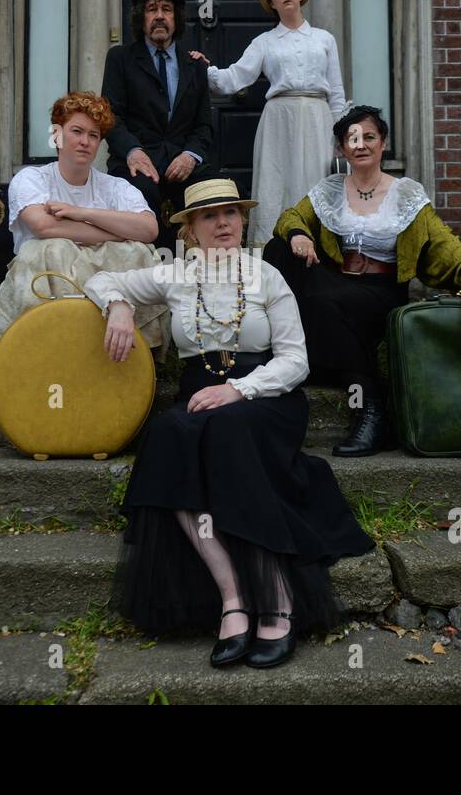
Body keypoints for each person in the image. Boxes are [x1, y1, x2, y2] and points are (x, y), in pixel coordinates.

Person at [82, 178, 375, 669]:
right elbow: (102, 280)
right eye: (209, 216)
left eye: (231, 214)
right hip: (200, 395)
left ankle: (277, 599)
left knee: (230, 429)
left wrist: (240, 389)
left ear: (242, 221)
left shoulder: (267, 276)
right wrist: (118, 306)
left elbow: (295, 361)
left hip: (267, 396)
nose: (223, 223)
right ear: (192, 230)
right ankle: (234, 598)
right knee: (167, 433)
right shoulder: (174, 274)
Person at [263, 105, 461, 457]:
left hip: (378, 292)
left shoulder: (406, 194)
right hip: (334, 284)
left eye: (369, 137)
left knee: (323, 300)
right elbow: (290, 217)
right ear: (341, 149)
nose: (360, 144)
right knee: (280, 248)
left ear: (383, 143)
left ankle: (370, 408)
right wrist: (300, 233)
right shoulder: (329, 189)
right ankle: (289, 353)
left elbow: (442, 243)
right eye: (351, 138)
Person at [0, 91, 168, 348]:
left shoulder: (115, 186)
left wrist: (82, 213)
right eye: (77, 131)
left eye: (93, 135)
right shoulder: (32, 179)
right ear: (57, 135)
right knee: (51, 247)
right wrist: (115, 232)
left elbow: (148, 229)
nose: (85, 141)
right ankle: (49, 344)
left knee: (140, 250)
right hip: (47, 293)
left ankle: (131, 348)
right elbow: (44, 225)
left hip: (109, 292)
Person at [188, 0, 347, 248]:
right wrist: (205, 69)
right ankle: (272, 257)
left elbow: (336, 91)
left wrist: (341, 135)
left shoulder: (325, 39)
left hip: (317, 119)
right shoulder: (264, 42)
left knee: (315, 182)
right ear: (272, 2)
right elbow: (235, 78)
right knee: (276, 183)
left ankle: (319, 253)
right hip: (278, 120)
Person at [101, 0, 218, 251]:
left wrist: (190, 156)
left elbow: (203, 126)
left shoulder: (195, 66)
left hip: (182, 160)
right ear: (141, 18)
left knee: (217, 192)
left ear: (176, 19)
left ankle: (209, 274)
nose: (159, 16)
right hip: (135, 162)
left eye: (166, 9)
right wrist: (132, 151)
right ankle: (145, 276)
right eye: (151, 9)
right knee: (141, 193)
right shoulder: (120, 59)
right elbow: (110, 117)